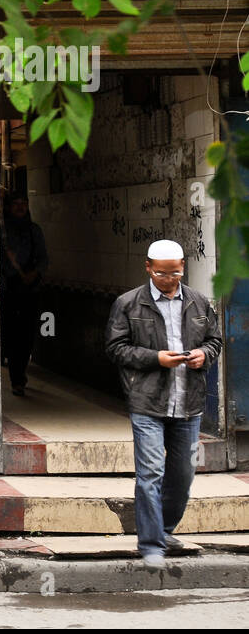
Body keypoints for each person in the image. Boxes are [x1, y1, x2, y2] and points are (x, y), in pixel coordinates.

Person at [105, 239, 222, 570]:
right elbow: (116, 349)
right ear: (148, 268)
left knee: (183, 475)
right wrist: (156, 358)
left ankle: (164, 530)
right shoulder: (128, 303)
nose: (169, 279)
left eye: (175, 272)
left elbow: (215, 340)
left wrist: (205, 354)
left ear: (183, 266)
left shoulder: (198, 302)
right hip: (147, 401)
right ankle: (151, 543)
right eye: (161, 274)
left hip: (188, 402)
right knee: (151, 472)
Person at [0, 193, 48, 396]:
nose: (20, 207)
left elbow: (44, 258)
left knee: (26, 334)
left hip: (29, 289)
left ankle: (20, 376)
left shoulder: (34, 230)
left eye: (23, 203)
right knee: (10, 334)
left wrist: (33, 274)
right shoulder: (2, 232)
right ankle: (15, 376)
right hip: (8, 290)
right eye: (16, 203)